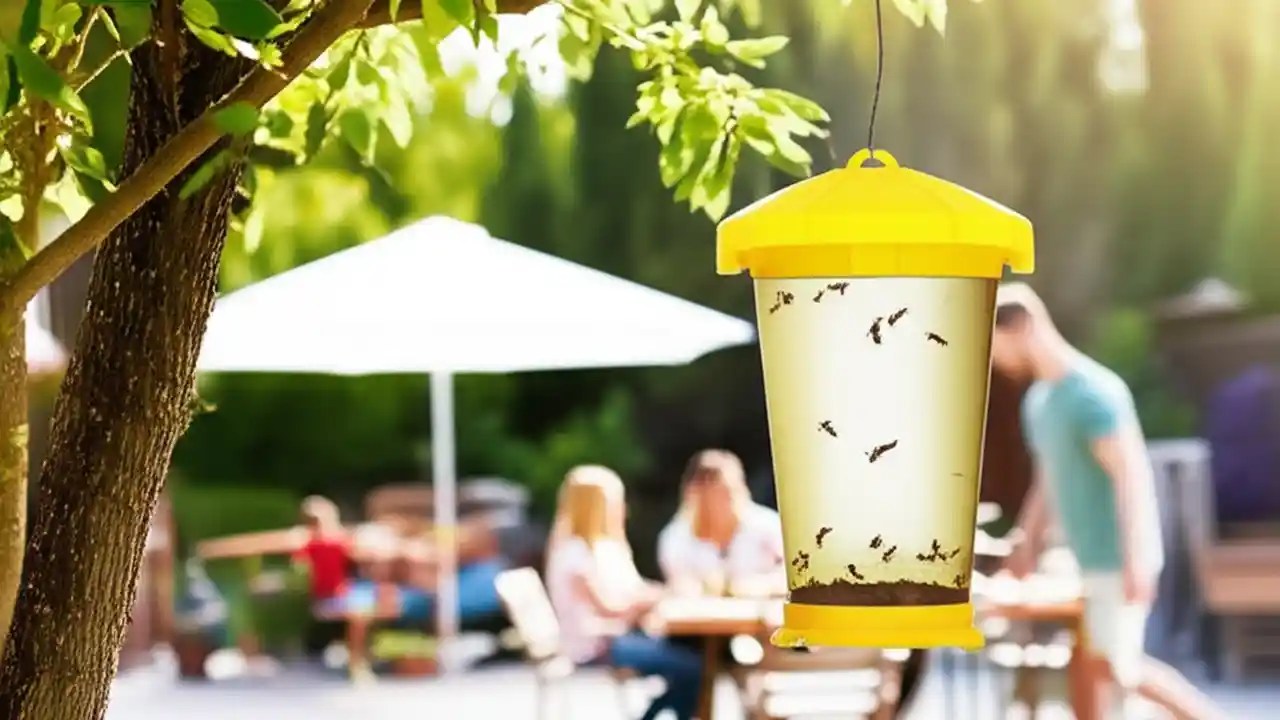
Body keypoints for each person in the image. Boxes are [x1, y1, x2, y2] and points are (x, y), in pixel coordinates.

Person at [992, 283, 1223, 720]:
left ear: (1021, 326)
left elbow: (1129, 478)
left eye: (995, 346)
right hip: (1081, 560)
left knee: (1121, 670)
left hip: (1117, 556)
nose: (996, 362)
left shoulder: (1093, 393)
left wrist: (1135, 556)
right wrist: (1025, 546)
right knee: (1091, 676)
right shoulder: (1040, 403)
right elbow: (1048, 482)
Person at [545, 465, 701, 720]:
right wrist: (658, 597)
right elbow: (610, 609)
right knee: (695, 667)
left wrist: (658, 594)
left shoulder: (603, 548)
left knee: (695, 657)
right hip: (596, 647)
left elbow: (632, 592)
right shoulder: (576, 555)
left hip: (613, 638)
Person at [657, 449, 786, 597]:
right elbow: (680, 589)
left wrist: (760, 587)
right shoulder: (675, 539)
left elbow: (795, 578)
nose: (726, 502)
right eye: (715, 495)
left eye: (730, 492)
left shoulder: (769, 526)